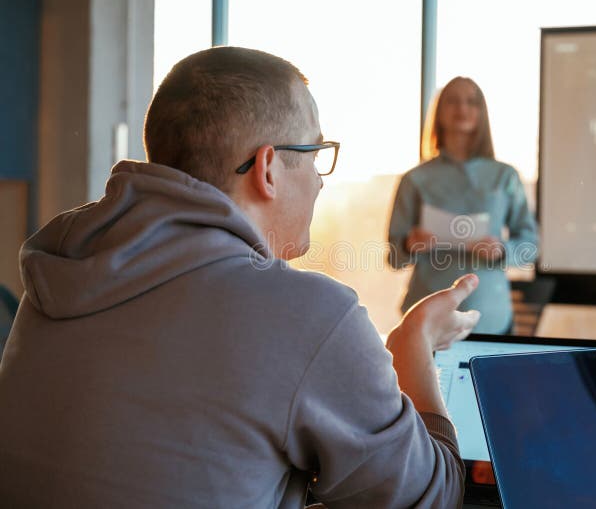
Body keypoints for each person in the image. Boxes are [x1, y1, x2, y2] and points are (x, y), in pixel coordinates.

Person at [0, 47, 481, 508]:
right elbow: (430, 497)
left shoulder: (58, 278)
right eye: (316, 153)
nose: (319, 179)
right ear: (268, 168)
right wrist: (413, 345)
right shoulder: (309, 314)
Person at [388, 77, 538, 334]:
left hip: (491, 318)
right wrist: (409, 245)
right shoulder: (414, 179)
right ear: (439, 112)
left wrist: (502, 250)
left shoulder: (505, 176)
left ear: (482, 112)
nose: (462, 108)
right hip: (427, 316)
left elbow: (531, 244)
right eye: (453, 101)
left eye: (471, 102)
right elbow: (394, 256)